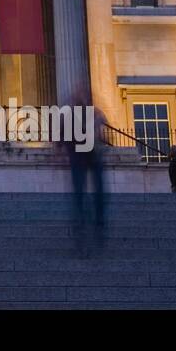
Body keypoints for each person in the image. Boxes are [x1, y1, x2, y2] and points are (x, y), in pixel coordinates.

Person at [65, 90, 107, 253]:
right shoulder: (69, 117)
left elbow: (102, 128)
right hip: (79, 160)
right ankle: (82, 224)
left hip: (93, 158)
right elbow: (61, 140)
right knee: (80, 193)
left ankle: (97, 222)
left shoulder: (94, 114)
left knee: (98, 193)